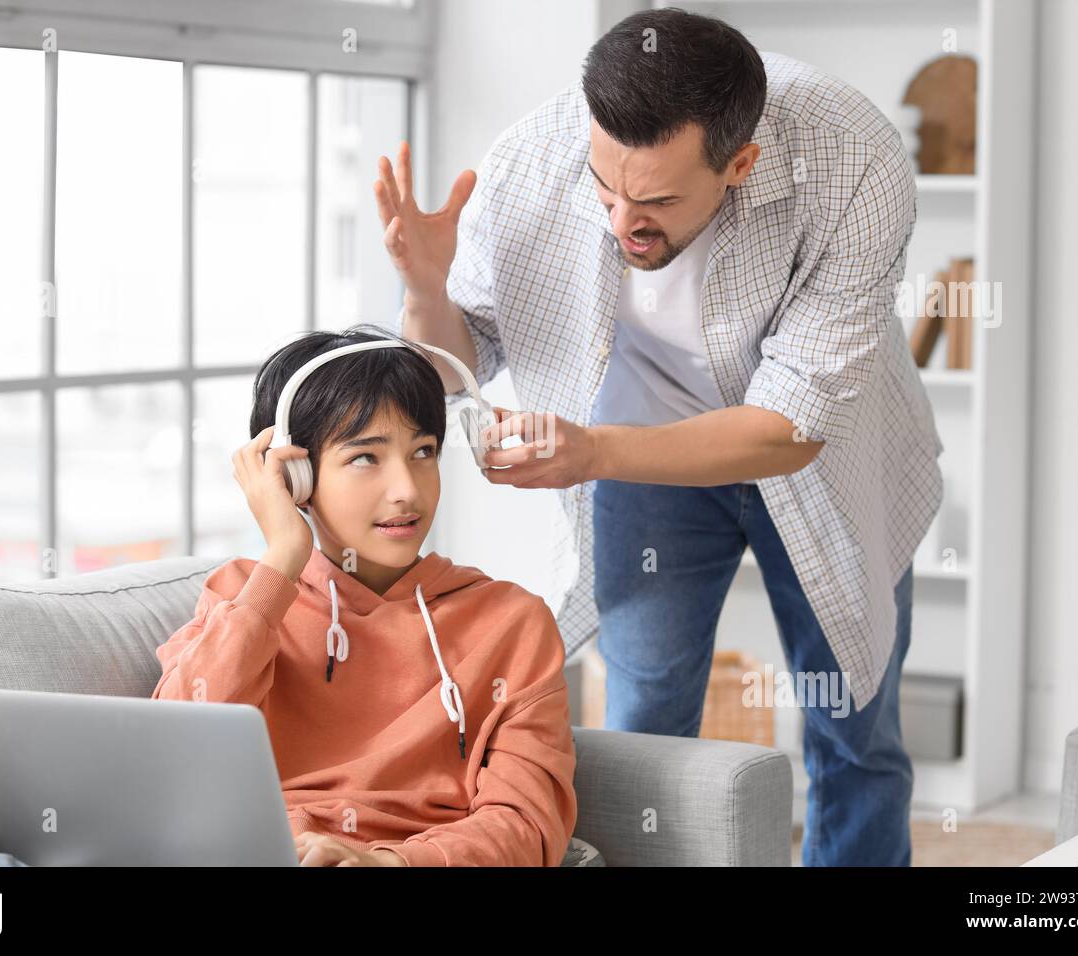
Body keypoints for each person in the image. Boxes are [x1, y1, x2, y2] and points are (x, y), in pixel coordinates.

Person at [377, 7, 942, 865]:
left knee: (854, 729)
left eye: (656, 202)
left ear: (740, 164)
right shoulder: (535, 160)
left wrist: (592, 451)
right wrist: (425, 290)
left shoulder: (853, 159)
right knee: (644, 729)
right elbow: (463, 358)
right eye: (605, 191)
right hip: (645, 461)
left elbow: (792, 428)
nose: (620, 222)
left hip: (831, 461)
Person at [150, 325, 577, 867]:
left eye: (423, 451)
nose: (406, 489)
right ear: (295, 477)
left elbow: (528, 825)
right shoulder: (246, 596)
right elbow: (173, 757)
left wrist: (388, 862)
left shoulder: (512, 623)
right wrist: (283, 554)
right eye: (365, 458)